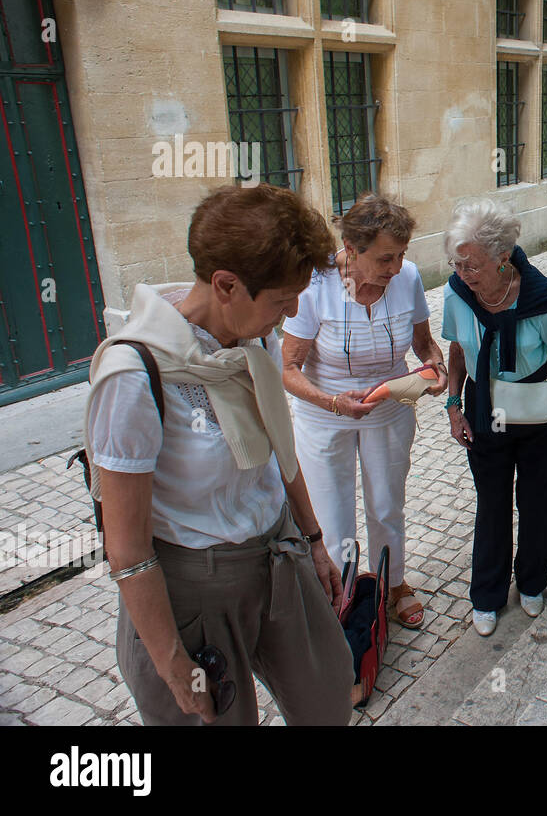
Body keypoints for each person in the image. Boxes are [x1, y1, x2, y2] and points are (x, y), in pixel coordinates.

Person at [85, 185, 354, 726]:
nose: (292, 313)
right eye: (281, 300)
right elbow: (127, 547)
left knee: (328, 694)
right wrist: (171, 663)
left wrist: (314, 540)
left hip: (276, 551)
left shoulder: (254, 342)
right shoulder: (134, 377)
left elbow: (281, 451)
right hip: (191, 587)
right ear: (226, 285)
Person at [282, 195, 446, 631]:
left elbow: (424, 343)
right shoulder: (315, 285)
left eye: (401, 255)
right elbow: (288, 368)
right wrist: (332, 402)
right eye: (385, 258)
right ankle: (345, 594)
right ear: (352, 250)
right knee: (333, 516)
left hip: (389, 408)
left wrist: (437, 367)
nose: (395, 267)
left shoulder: (407, 278)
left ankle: (393, 585)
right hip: (325, 414)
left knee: (387, 504)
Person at [441, 200, 547, 637]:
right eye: (457, 263)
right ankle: (486, 594)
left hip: (539, 416)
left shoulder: (538, 299)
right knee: (493, 505)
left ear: (503, 258)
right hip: (485, 413)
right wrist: (452, 405)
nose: (464, 273)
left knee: (537, 504)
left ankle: (533, 582)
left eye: (472, 264)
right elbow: (459, 350)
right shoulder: (456, 294)